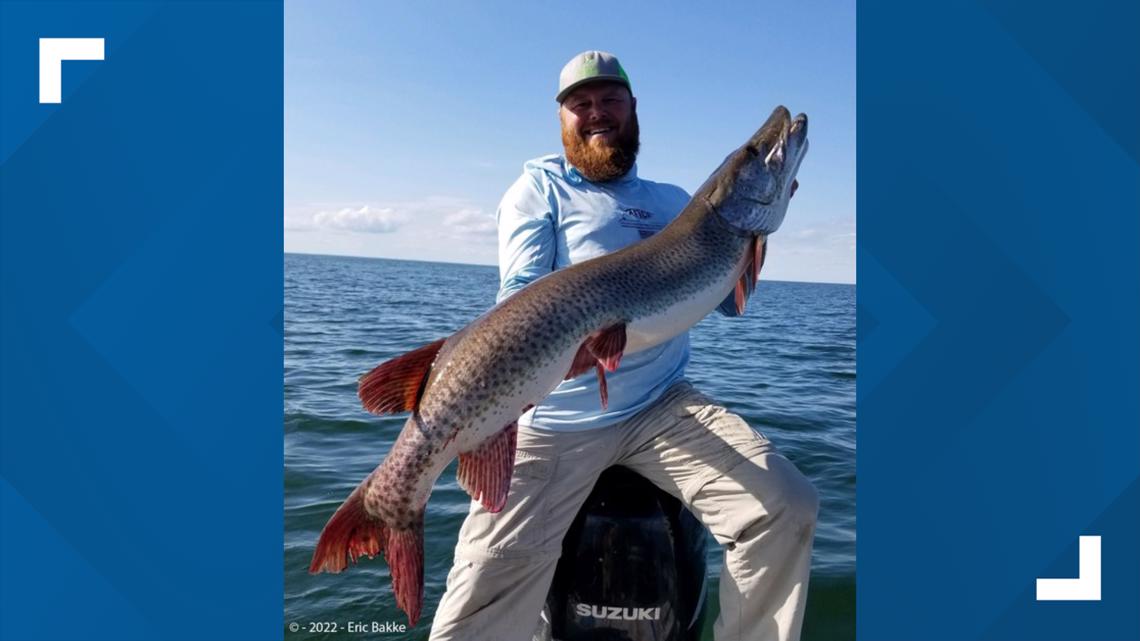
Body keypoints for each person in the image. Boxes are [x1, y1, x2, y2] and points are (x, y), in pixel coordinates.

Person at [429, 51, 819, 641]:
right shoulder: (539, 189)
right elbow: (520, 296)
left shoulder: (672, 202)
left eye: (610, 100)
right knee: (481, 594)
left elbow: (730, 304)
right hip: (554, 419)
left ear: (634, 109)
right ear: (562, 119)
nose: (596, 114)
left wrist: (762, 228)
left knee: (785, 505)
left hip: (660, 407)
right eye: (580, 104)